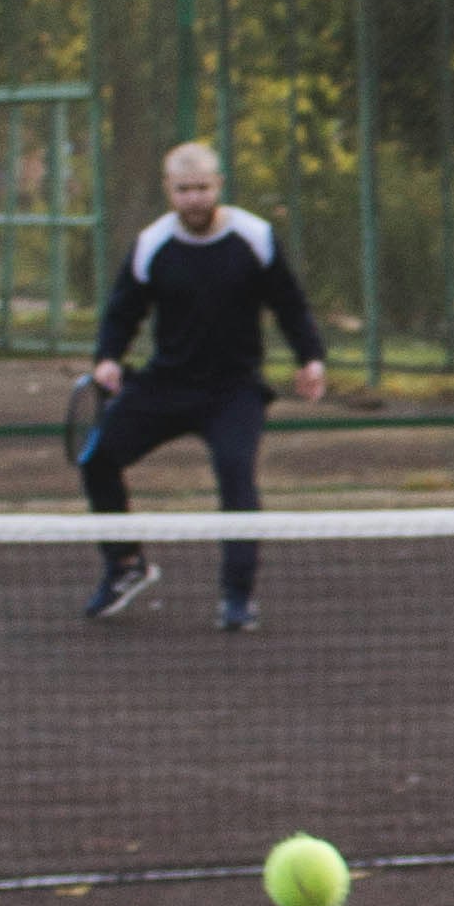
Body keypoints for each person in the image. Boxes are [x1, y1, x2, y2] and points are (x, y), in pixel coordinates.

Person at [80, 141, 327, 633]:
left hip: (233, 391)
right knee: (97, 459)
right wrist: (109, 359)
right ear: (168, 190)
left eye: (202, 188)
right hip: (166, 384)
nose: (193, 198)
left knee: (237, 479)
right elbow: (123, 309)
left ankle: (237, 596)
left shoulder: (254, 237)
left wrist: (311, 358)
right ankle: (126, 566)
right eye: (183, 189)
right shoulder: (153, 244)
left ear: (219, 187)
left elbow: (289, 303)